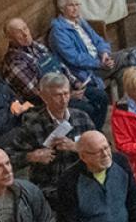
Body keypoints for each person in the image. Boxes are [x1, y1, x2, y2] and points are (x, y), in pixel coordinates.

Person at [2, 17, 108, 128]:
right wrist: (68, 96)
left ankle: (95, 133)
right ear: (10, 38)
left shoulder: (37, 46)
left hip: (65, 88)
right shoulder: (15, 62)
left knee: (101, 96)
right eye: (19, 32)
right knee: (87, 109)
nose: (25, 34)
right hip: (48, 102)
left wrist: (76, 83)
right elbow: (36, 92)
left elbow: (60, 66)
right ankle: (87, 138)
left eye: (25, 28)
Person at [11, 73, 96, 204]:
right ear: (44, 97)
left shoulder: (81, 117)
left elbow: (102, 146)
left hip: (82, 179)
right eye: (57, 95)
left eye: (66, 93)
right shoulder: (33, 124)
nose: (64, 100)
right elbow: (9, 157)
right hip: (50, 186)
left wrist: (77, 147)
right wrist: (31, 156)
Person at [49, 0, 115, 95]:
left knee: (126, 65)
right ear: (62, 9)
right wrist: (99, 64)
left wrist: (104, 54)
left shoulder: (80, 21)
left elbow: (98, 40)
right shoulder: (59, 31)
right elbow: (75, 58)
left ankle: (125, 106)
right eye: (71, 5)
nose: (75, 8)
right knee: (129, 58)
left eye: (77, 4)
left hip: (99, 61)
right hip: (86, 71)